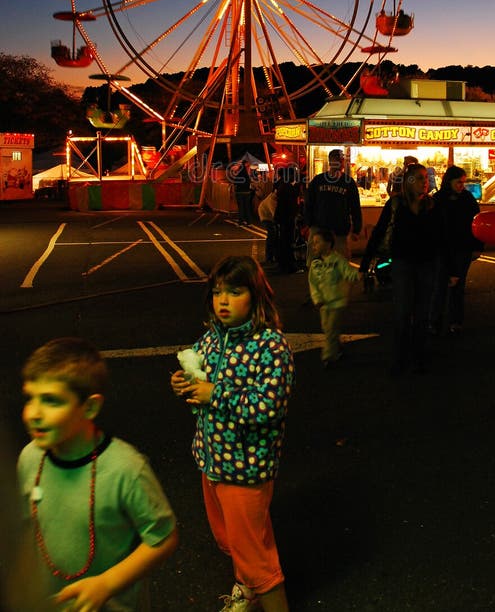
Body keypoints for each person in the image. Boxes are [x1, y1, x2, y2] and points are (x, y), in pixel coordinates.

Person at [170, 256, 295, 612]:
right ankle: (246, 588)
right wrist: (185, 384)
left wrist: (215, 393)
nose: (222, 301)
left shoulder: (271, 348)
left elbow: (268, 407)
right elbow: (201, 385)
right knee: (234, 540)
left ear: (256, 296)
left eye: (234, 292)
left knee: (257, 558)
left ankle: (263, 593)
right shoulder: (212, 339)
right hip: (213, 461)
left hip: (246, 469)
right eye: (217, 292)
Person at [18, 337, 178, 612]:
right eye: (30, 398)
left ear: (90, 408)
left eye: (51, 401)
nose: (34, 413)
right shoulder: (30, 458)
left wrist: (106, 584)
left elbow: (163, 537)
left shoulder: (126, 469)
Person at [361, 164, 441, 374]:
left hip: (426, 265)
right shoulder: (396, 204)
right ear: (409, 181)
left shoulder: (432, 206)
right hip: (403, 264)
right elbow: (379, 231)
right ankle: (400, 359)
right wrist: (365, 261)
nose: (425, 182)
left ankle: (418, 358)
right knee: (403, 313)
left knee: (422, 315)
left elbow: (440, 237)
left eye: (426, 178)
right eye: (420, 178)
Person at [432, 165, 484, 335]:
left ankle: (455, 321)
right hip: (443, 247)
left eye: (463, 182)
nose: (462, 186)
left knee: (457, 286)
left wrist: (477, 246)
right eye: (458, 182)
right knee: (440, 286)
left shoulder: (467, 198)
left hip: (462, 248)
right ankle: (436, 321)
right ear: (449, 181)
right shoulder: (439, 199)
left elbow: (477, 223)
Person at [308, 227, 360, 368]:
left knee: (330, 329)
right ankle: (338, 346)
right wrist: (317, 298)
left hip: (337, 301)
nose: (314, 246)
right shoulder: (315, 264)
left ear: (328, 243)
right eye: (313, 243)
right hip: (323, 303)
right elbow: (313, 284)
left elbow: (348, 272)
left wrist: (358, 274)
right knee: (327, 328)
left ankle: (329, 356)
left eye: (317, 242)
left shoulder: (338, 260)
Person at [304, 148, 362, 264]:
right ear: (330, 162)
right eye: (336, 160)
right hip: (319, 229)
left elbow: (355, 207)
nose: (339, 163)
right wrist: (308, 224)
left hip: (339, 232)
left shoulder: (349, 183)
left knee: (339, 266)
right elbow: (308, 203)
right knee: (316, 264)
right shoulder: (318, 180)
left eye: (341, 160)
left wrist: (356, 229)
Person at [274, 167, 301, 274]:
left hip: (282, 218)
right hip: (287, 218)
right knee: (287, 242)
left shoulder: (282, 186)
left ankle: (283, 264)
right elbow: (291, 203)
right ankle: (288, 265)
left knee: (284, 241)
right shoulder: (288, 187)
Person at [258, 188, 278, 266]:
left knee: (274, 234)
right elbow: (275, 214)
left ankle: (272, 256)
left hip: (268, 216)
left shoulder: (274, 197)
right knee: (271, 234)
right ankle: (269, 257)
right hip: (265, 217)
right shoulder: (271, 200)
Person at [232, 159, 255, 225]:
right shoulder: (247, 175)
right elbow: (249, 182)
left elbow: (235, 182)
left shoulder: (239, 174)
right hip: (247, 192)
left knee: (241, 207)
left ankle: (241, 221)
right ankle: (249, 221)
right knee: (247, 207)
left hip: (239, 192)